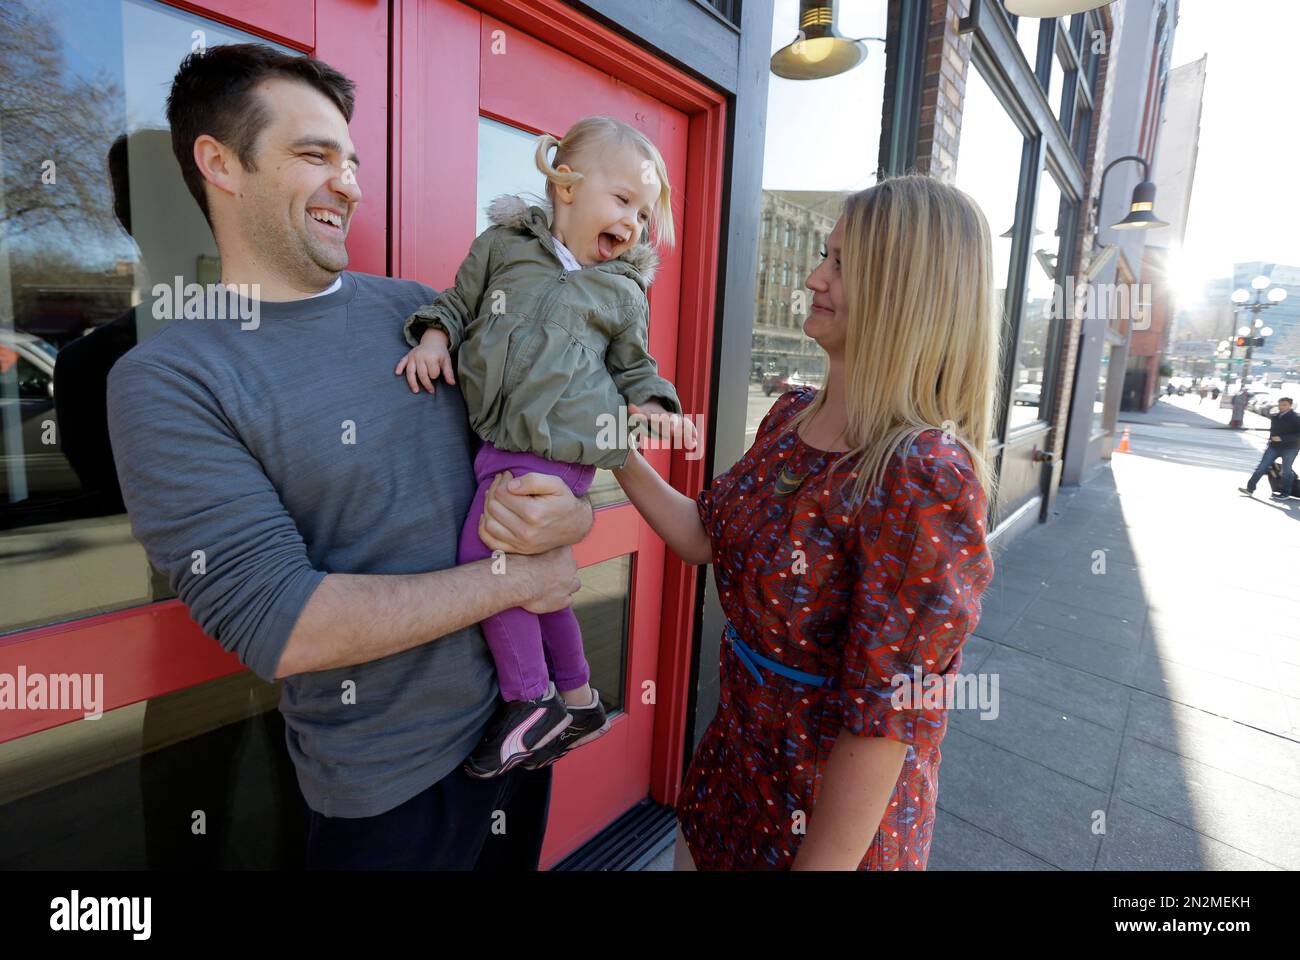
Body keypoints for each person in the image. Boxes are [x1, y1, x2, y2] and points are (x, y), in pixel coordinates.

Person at [106, 43, 592, 870]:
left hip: (522, 730)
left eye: (353, 159)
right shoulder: (170, 378)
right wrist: (519, 580)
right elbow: (283, 624)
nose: (351, 184)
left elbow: (533, 453)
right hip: (387, 788)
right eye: (314, 155)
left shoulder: (418, 312)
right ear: (220, 164)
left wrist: (568, 512)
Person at [614, 174, 997, 870]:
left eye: (843, 264)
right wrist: (613, 448)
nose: (815, 277)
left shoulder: (925, 474)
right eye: (825, 254)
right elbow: (704, 534)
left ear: (906, 291)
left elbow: (884, 726)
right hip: (727, 777)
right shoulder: (790, 416)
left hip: (821, 826)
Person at [397, 116, 693, 777]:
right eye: (623, 202)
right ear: (564, 183)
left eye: (644, 215)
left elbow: (635, 365)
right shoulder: (504, 247)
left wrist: (651, 404)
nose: (635, 225)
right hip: (497, 440)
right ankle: (581, 698)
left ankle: (530, 700)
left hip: (561, 448)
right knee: (539, 582)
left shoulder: (621, 289)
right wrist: (435, 338)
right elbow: (456, 303)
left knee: (487, 557)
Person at [1239, 397, 1300, 499]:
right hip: (1273, 447)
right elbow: (1273, 431)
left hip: (1290, 448)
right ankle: (1250, 489)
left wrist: (1282, 438)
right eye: (1280, 404)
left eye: (1284, 405)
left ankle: (1285, 493)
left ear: (1290, 406)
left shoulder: (1296, 418)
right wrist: (1270, 441)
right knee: (1262, 467)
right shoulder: (1275, 416)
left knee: (1286, 471)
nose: (1281, 407)